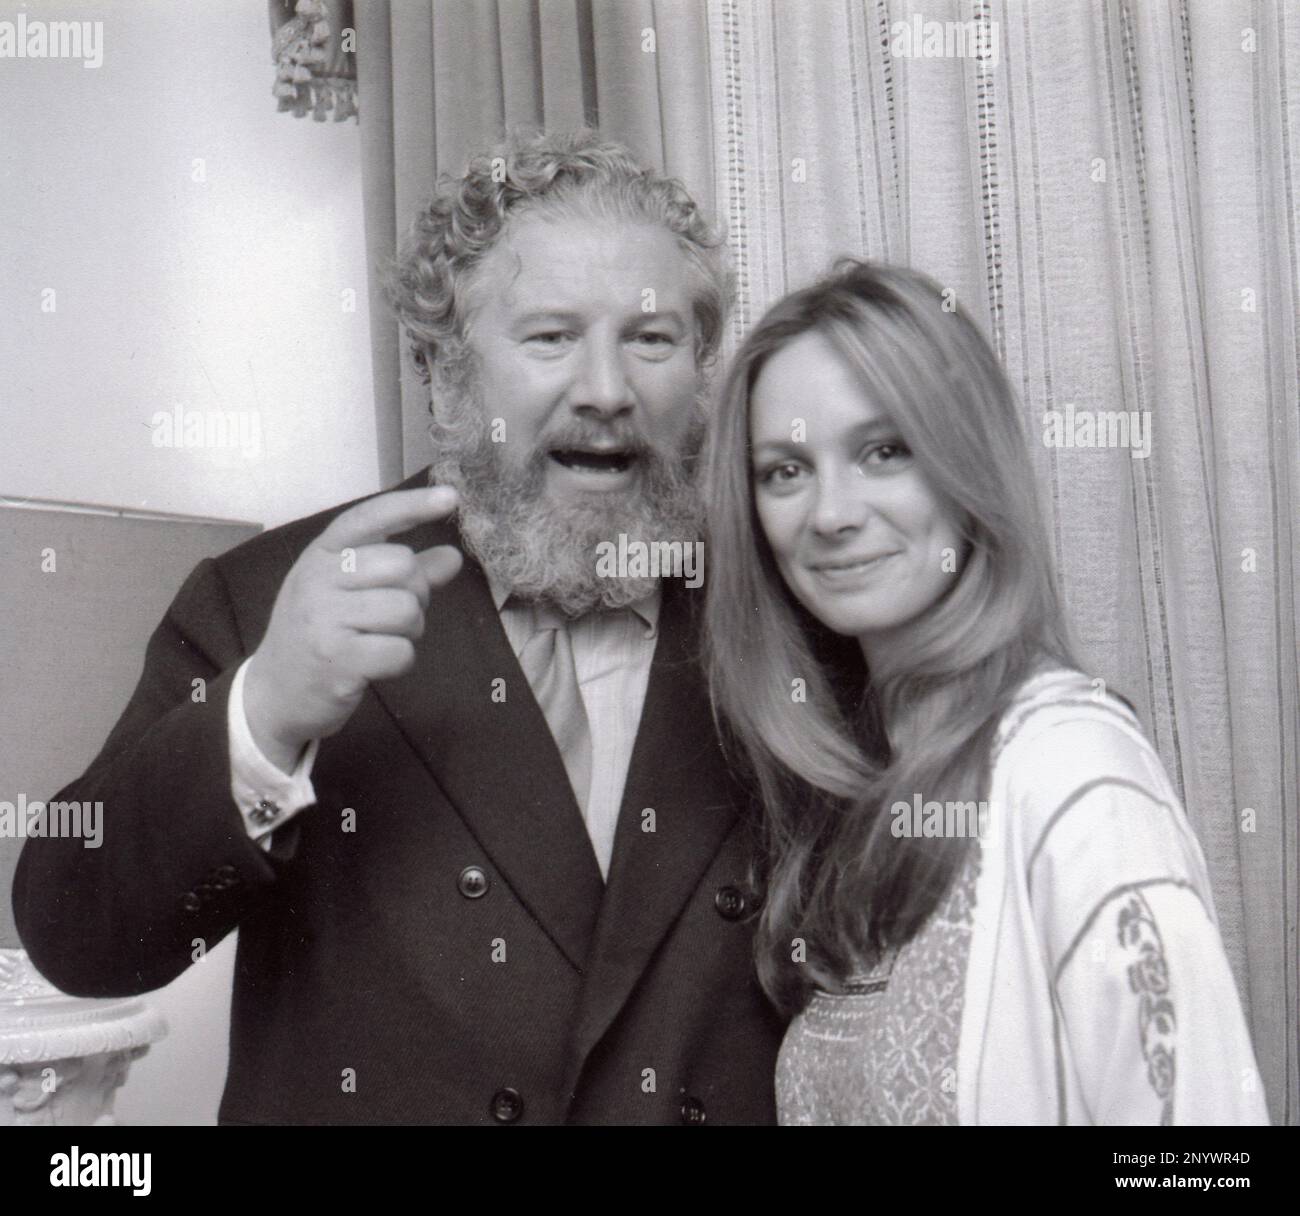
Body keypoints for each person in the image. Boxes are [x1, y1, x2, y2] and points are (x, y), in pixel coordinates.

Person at [13, 131, 785, 1125]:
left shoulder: (782, 615)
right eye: (549, 336)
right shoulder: (268, 600)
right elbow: (80, 938)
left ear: (703, 373)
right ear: (447, 375)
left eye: (651, 339)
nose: (605, 389)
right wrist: (268, 712)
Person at [701, 259, 1269, 1125]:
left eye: (882, 451)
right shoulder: (847, 801)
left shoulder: (1069, 769)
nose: (830, 513)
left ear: (966, 467)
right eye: (785, 469)